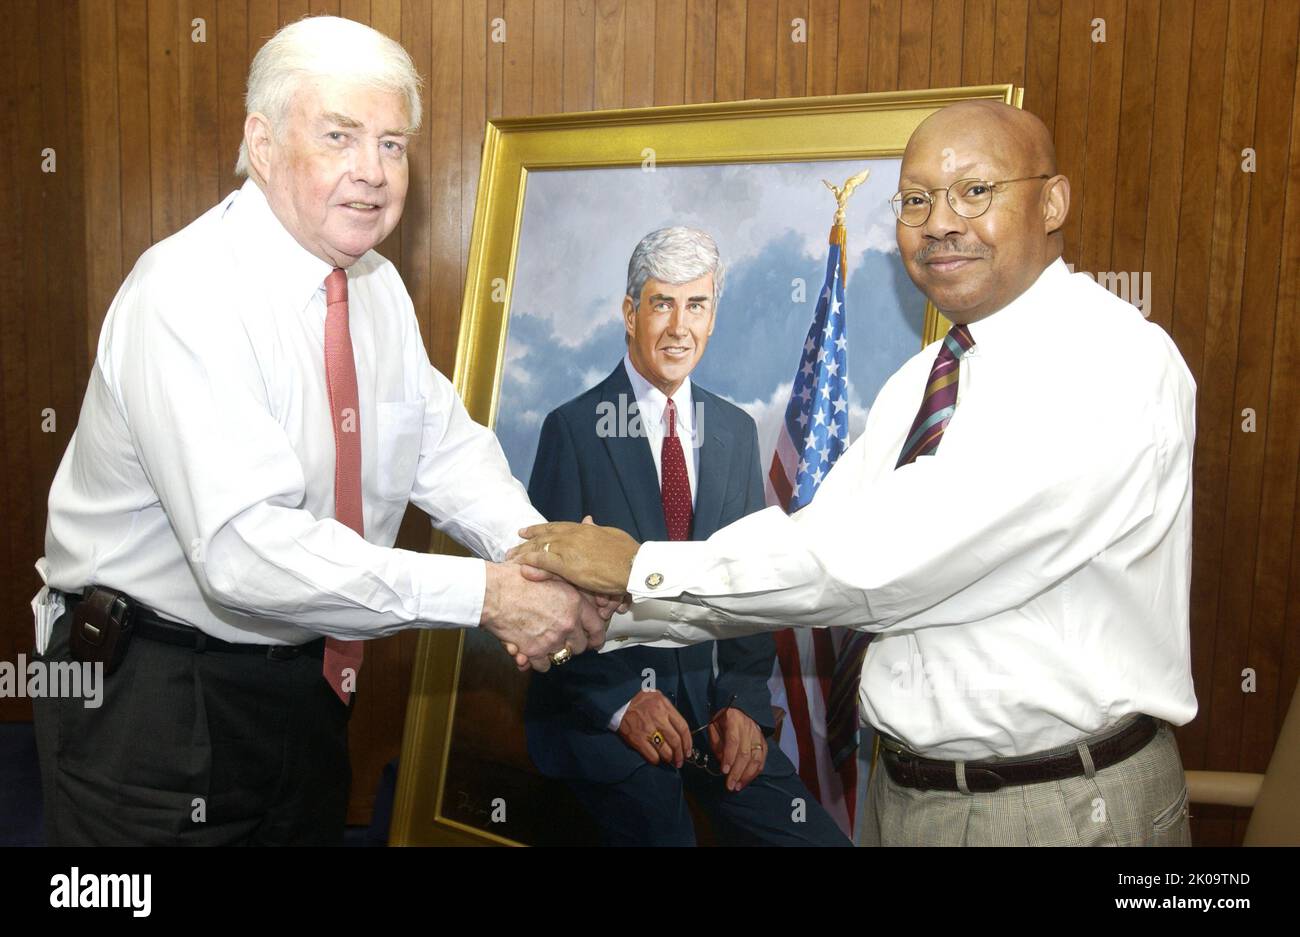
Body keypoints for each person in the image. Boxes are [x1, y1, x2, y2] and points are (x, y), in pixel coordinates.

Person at [510, 100, 1198, 847]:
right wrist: (589, 615)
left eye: (975, 191)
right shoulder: (924, 379)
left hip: (1053, 809)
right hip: (905, 797)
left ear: (1053, 201)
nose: (940, 222)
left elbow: (880, 563)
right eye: (915, 200)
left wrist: (637, 569)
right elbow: (814, 536)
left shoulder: (1109, 362)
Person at [30, 15, 604, 846]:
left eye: (392, 144)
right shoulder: (185, 293)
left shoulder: (377, 288)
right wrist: (489, 596)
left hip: (306, 677)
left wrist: (540, 558)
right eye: (340, 136)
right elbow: (245, 552)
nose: (372, 171)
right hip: (149, 692)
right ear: (261, 145)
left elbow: (443, 450)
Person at [524, 228, 849, 846]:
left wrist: (745, 703)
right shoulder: (573, 430)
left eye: (696, 305)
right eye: (662, 304)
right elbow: (539, 602)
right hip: (604, 714)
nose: (679, 327)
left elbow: (751, 585)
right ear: (630, 313)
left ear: (713, 316)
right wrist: (622, 703)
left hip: (713, 716)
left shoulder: (734, 430)